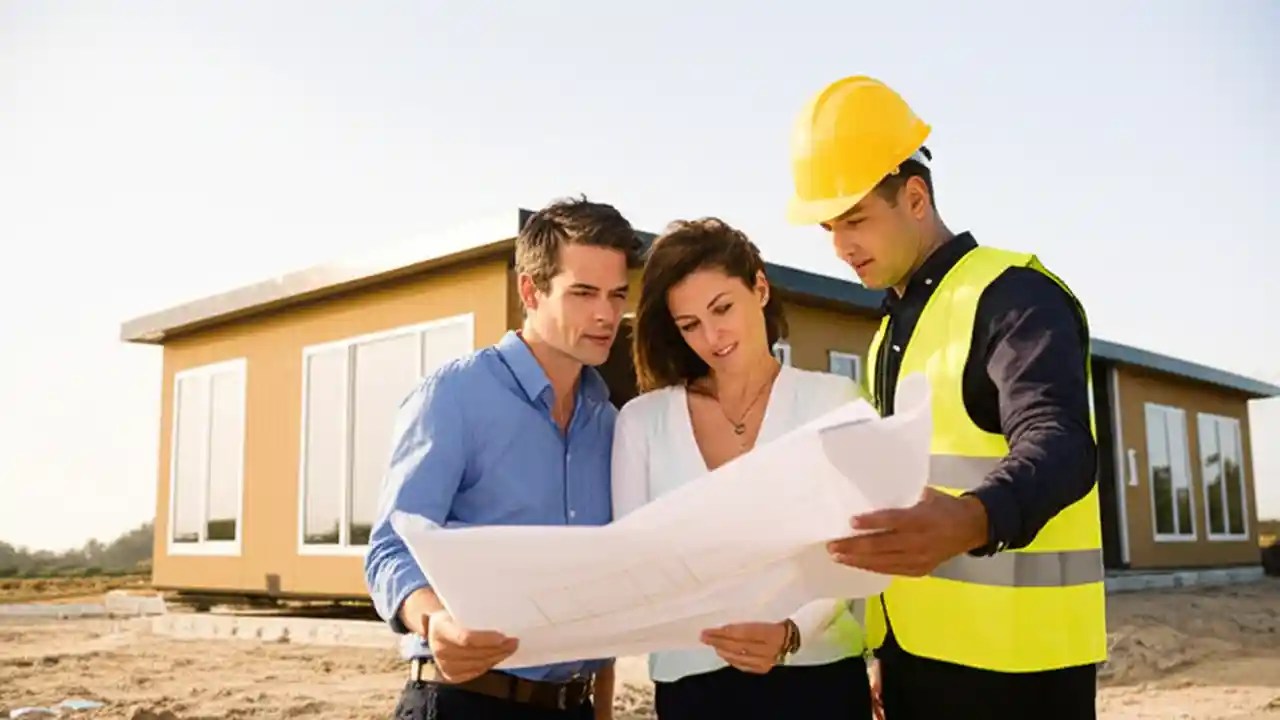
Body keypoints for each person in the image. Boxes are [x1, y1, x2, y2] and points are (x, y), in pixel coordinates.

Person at [787, 74, 1107, 719]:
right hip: (919, 664)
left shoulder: (1012, 296)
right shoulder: (888, 333)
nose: (842, 245)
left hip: (1020, 672)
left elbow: (1062, 443)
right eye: (828, 226)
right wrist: (890, 651)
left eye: (855, 219)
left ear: (914, 197)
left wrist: (972, 518)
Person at [363, 196, 643, 719]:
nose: (606, 315)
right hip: (464, 701)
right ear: (529, 291)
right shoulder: (454, 397)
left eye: (617, 295)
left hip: (574, 704)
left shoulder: (608, 422)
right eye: (583, 293)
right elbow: (387, 552)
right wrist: (435, 622)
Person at [610, 217, 873, 720]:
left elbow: (857, 548)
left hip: (818, 680)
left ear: (760, 286)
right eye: (689, 325)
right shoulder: (641, 423)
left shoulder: (835, 401)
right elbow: (634, 561)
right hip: (693, 690)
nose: (712, 336)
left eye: (722, 308)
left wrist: (792, 631)